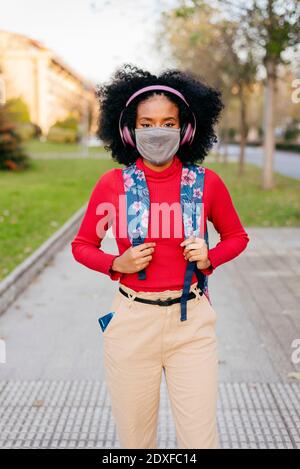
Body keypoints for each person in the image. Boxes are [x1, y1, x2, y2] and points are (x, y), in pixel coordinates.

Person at [71, 63, 250, 449]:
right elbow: (81, 245)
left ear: (185, 130)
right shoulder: (112, 185)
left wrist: (210, 256)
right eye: (148, 122)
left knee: (201, 441)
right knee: (136, 442)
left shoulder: (207, 183)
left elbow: (237, 237)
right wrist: (116, 263)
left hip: (192, 324)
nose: (158, 132)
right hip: (132, 322)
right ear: (129, 130)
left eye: (169, 123)